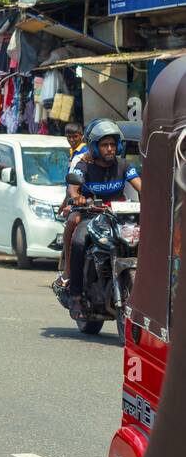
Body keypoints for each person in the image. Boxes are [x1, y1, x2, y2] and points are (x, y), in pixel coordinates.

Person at [60, 119, 142, 319]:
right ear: (95, 146)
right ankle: (76, 295)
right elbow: (73, 186)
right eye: (105, 145)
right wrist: (76, 197)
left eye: (113, 144)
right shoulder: (84, 165)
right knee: (79, 241)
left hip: (116, 217)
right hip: (90, 214)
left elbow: (141, 186)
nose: (110, 149)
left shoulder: (124, 165)